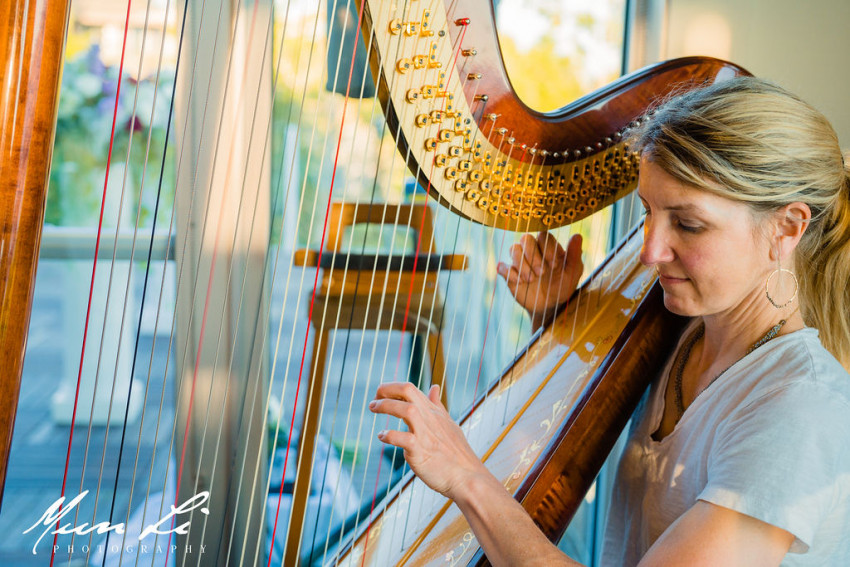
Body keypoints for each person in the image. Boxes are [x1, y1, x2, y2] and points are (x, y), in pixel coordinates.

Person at [368, 76, 850, 566]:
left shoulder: (801, 412)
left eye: (687, 224)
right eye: (647, 211)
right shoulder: (682, 332)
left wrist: (465, 474)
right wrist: (555, 316)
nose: (649, 251)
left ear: (786, 227)